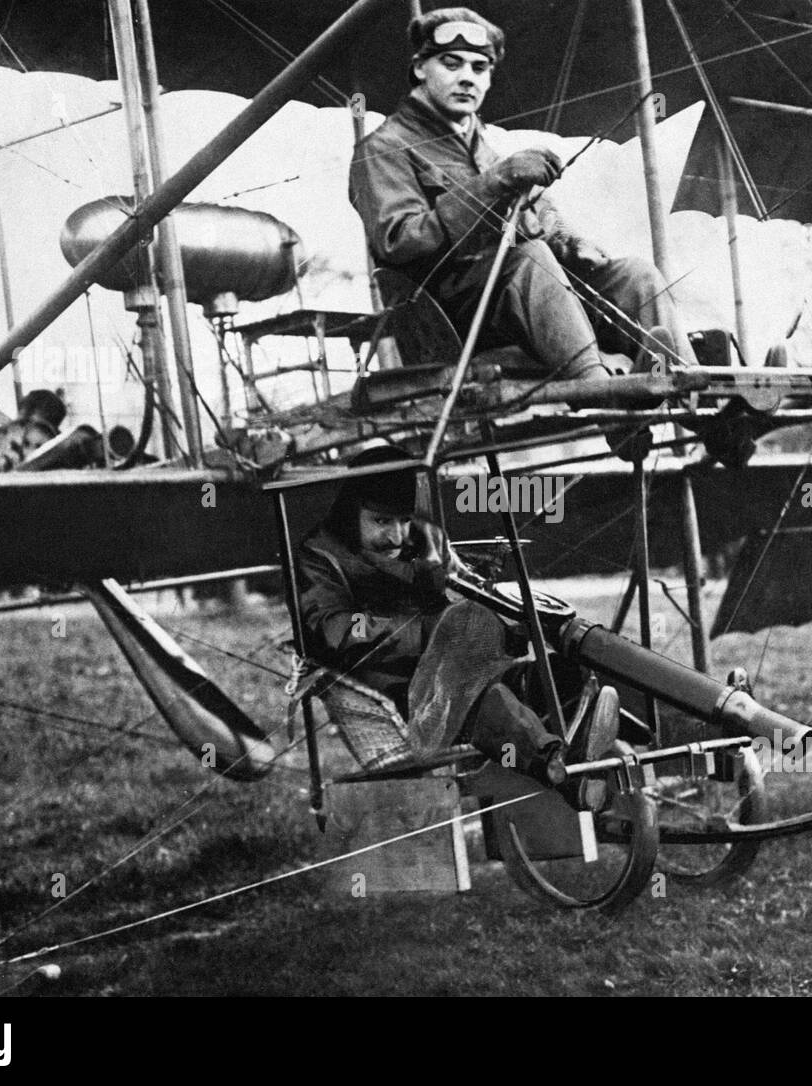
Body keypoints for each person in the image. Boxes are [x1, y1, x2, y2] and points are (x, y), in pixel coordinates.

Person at [348, 6, 696, 383]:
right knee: (531, 258)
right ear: (420, 68)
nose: (467, 78)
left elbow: (533, 215)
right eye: (452, 64)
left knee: (634, 275)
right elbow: (398, 242)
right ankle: (600, 386)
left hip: (516, 302)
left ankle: (702, 392)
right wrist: (494, 181)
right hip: (451, 319)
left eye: (479, 69)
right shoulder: (384, 149)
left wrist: (569, 240)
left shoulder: (479, 148)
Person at [295, 444, 620, 788]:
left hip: (462, 664)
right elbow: (335, 631)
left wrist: (501, 617)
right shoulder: (320, 555)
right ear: (349, 511)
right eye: (380, 521)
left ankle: (586, 733)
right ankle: (554, 765)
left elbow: (466, 586)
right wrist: (427, 632)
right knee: (487, 702)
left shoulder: (426, 538)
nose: (395, 536)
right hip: (398, 685)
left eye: (404, 520)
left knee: (560, 676)